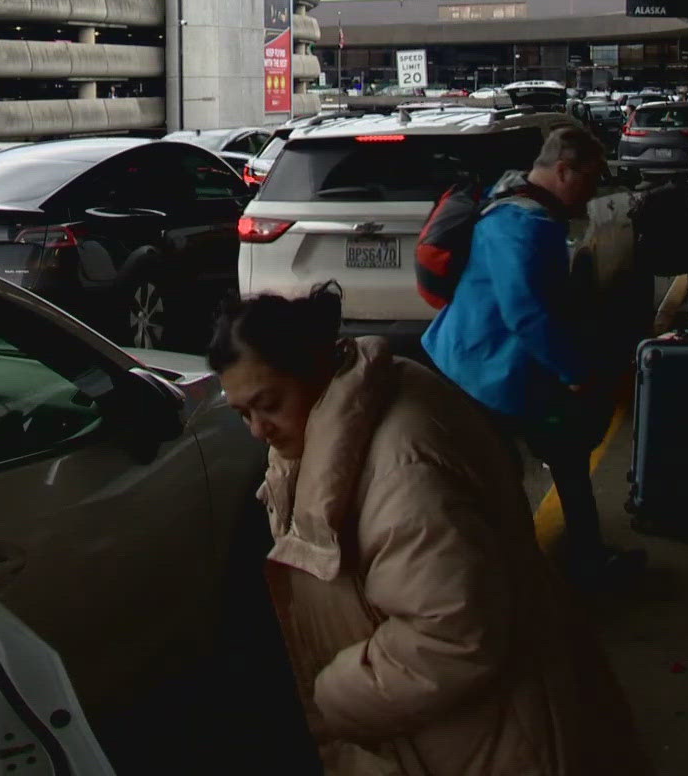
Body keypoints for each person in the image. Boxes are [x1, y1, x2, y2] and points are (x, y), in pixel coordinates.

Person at [213, 285, 651, 775]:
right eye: (243, 414)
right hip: (457, 729)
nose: (258, 429)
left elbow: (452, 636)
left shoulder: (403, 470)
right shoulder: (353, 412)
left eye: (268, 403)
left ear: (313, 367)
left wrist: (331, 694)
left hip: (486, 738)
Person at [423, 126, 644, 586]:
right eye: (589, 177)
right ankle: (510, 572)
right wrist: (574, 371)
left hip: (489, 365)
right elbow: (525, 311)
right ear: (563, 170)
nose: (592, 190)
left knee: (557, 454)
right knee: (498, 475)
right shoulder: (523, 224)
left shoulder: (516, 201)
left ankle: (576, 557)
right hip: (482, 372)